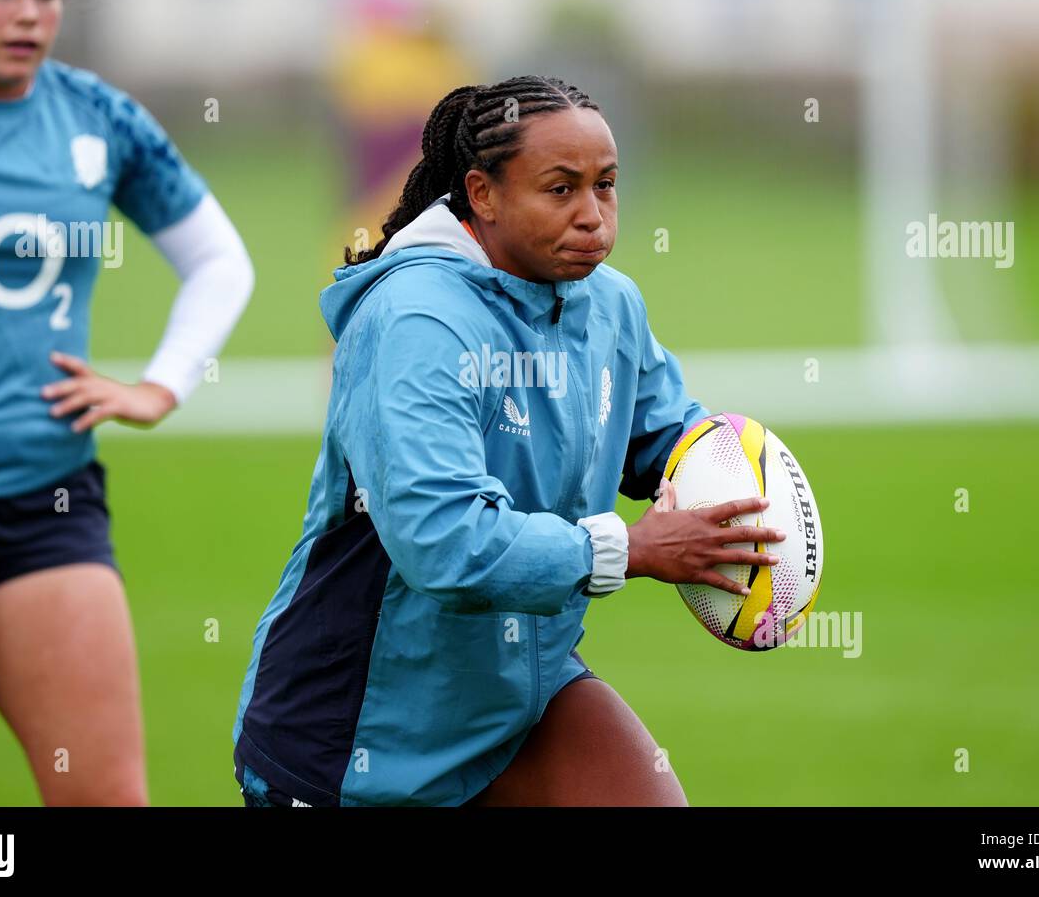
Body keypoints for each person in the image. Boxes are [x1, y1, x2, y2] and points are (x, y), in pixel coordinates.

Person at [232, 75, 784, 806]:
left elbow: (661, 433)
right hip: (356, 737)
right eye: (561, 190)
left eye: (607, 186)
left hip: (520, 697)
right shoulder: (417, 322)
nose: (593, 216)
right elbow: (445, 540)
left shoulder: (609, 304)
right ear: (483, 194)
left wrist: (734, 483)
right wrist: (631, 548)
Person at [0, 0, 254, 805]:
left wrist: (159, 386)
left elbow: (220, 261)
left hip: (51, 502)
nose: (31, 14)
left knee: (106, 797)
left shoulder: (97, 117)